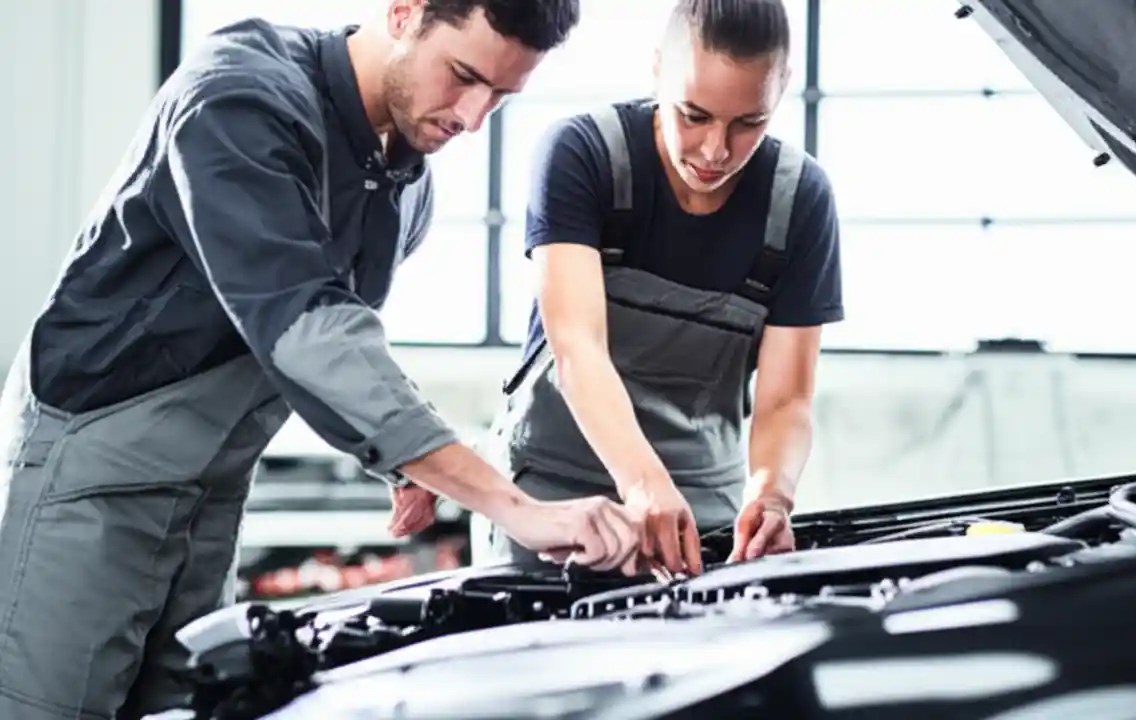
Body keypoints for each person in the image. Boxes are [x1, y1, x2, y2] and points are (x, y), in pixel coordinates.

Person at [0, 2, 645, 718]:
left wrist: (407, 459)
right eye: (464, 76)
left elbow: (340, 351)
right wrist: (513, 507)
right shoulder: (237, 99)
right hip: (93, 480)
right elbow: (307, 329)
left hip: (213, 497)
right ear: (405, 13)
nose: (472, 117)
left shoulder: (406, 185)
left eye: (500, 95)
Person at [484, 0, 843, 576]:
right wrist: (645, 485)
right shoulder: (583, 153)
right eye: (693, 114)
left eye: (749, 122)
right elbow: (577, 349)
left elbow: (786, 400)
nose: (715, 150)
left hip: (704, 506)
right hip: (555, 495)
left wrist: (772, 494)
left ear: (781, 92)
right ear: (657, 71)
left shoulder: (800, 200)